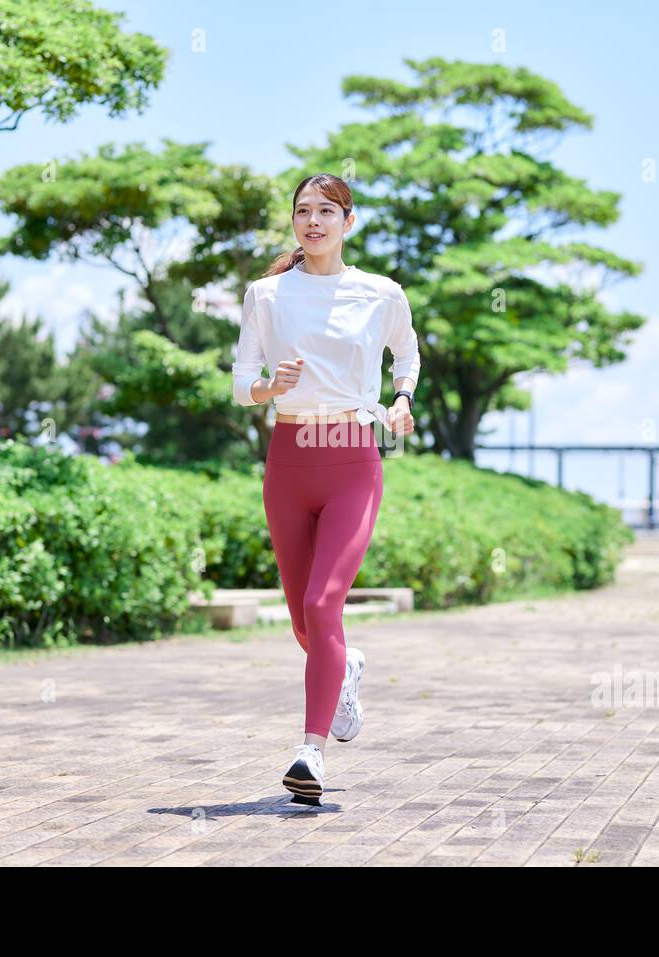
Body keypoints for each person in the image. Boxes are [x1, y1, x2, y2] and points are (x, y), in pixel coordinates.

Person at [231, 172, 420, 805]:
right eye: (303, 211)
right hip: (288, 458)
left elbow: (407, 353)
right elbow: (240, 382)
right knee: (302, 619)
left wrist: (400, 400)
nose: (313, 222)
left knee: (323, 602)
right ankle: (348, 669)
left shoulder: (380, 293)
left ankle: (309, 752)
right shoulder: (265, 294)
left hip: (350, 456)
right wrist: (268, 388)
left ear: (348, 221)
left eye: (326, 212)